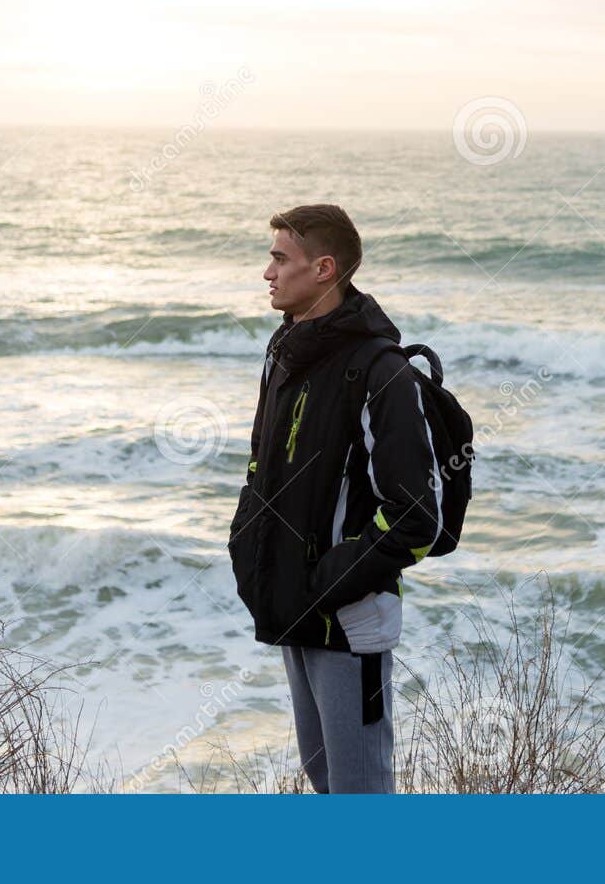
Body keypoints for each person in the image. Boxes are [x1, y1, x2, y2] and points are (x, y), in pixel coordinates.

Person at [228, 203, 442, 793]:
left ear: (324, 269)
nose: (267, 273)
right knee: (324, 782)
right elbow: (260, 469)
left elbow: (418, 517)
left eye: (279, 259)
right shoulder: (285, 351)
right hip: (293, 607)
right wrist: (250, 551)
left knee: (360, 791)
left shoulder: (380, 370)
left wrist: (330, 579)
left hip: (347, 622)